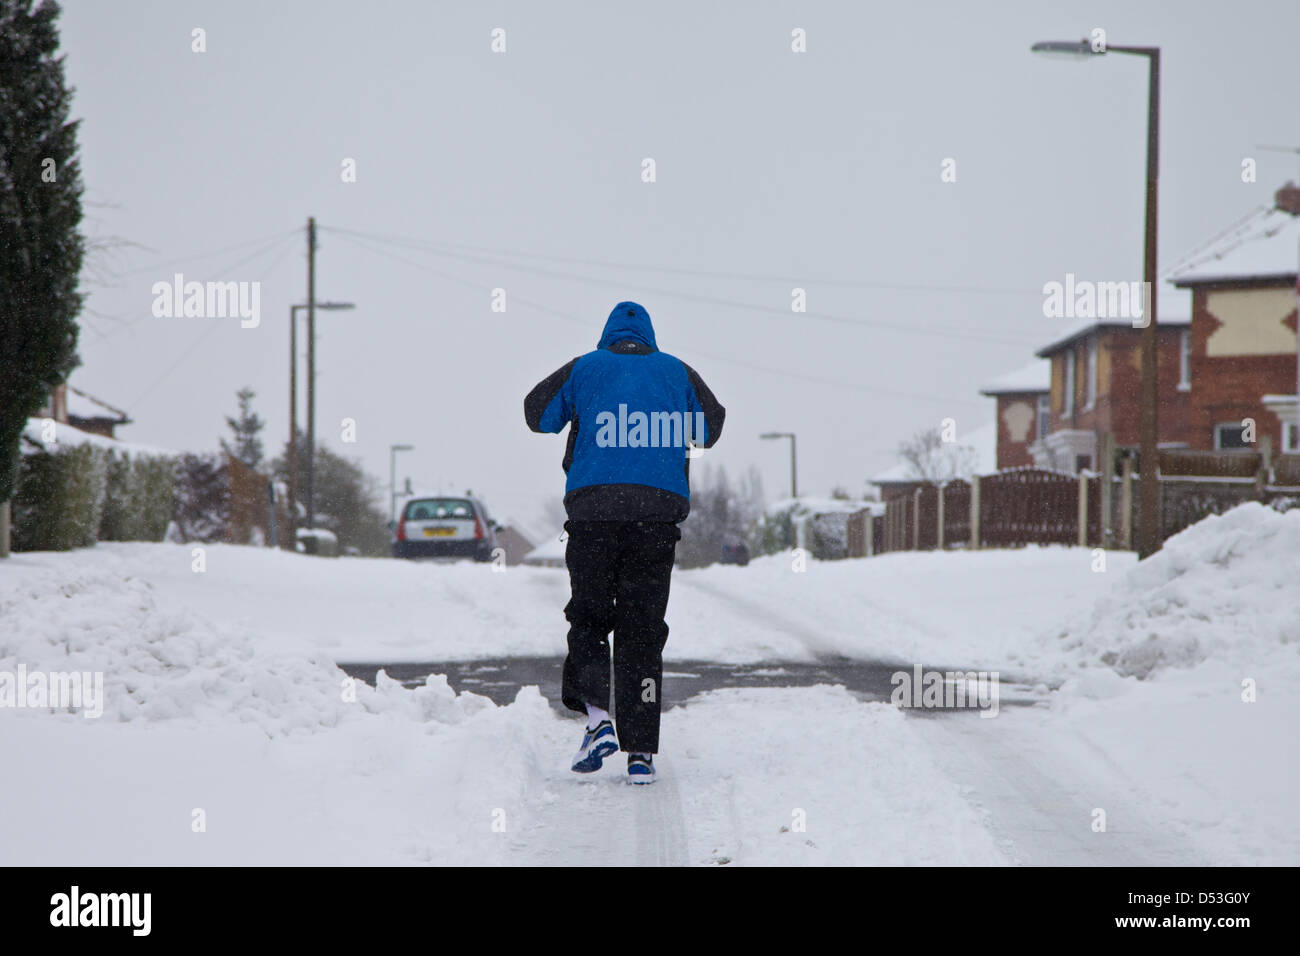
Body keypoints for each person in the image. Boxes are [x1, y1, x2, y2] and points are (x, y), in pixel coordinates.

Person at [524, 301, 724, 784]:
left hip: (594, 513)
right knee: (642, 629)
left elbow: (537, 413)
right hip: (656, 518)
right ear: (649, 337)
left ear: (607, 336)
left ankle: (598, 721)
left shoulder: (586, 368)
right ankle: (641, 754)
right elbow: (709, 428)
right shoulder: (676, 372)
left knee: (589, 617)